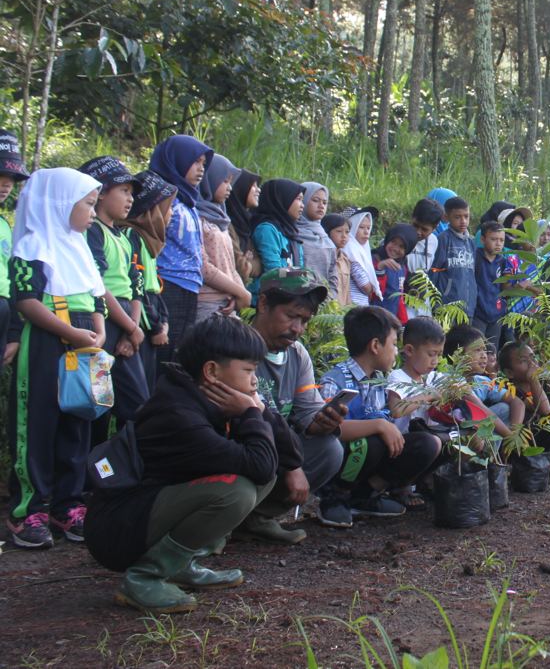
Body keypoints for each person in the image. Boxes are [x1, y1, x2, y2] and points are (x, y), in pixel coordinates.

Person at [84, 314, 295, 613]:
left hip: (146, 513)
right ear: (211, 371)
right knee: (237, 491)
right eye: (248, 370)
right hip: (118, 529)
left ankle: (182, 564)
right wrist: (251, 414)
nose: (254, 380)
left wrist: (258, 411)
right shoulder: (178, 414)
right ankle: (145, 576)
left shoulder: (209, 399)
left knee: (261, 474)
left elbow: (289, 457)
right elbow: (260, 464)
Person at [6, 168, 106, 548]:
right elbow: (27, 301)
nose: (93, 213)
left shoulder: (78, 247)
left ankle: (67, 504)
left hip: (85, 344)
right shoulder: (33, 246)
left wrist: (99, 332)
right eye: (88, 204)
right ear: (60, 203)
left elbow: (96, 297)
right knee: (37, 423)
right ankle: (27, 510)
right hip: (48, 342)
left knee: (78, 420)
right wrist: (71, 333)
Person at [316, 306, 442, 528]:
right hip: (339, 460)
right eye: (393, 344)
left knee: (426, 443)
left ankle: (365, 495)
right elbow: (328, 431)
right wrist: (379, 425)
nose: (397, 351)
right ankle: (336, 497)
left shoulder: (378, 380)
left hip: (368, 457)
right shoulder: (335, 381)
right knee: (371, 440)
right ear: (375, 346)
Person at [244, 267, 345, 543]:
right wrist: (291, 465)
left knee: (329, 450)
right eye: (290, 316)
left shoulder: (297, 354)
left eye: (304, 320)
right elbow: (249, 419)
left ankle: (256, 518)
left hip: (275, 448)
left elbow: (306, 411)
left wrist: (320, 423)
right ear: (263, 304)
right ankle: (217, 524)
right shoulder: (237, 345)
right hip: (241, 446)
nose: (297, 329)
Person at [79, 157, 148, 443]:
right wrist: (131, 329)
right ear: (101, 192)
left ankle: (119, 469)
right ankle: (90, 475)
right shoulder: (92, 232)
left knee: (138, 403)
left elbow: (135, 285)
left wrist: (131, 330)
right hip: (103, 323)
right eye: (124, 191)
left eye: (132, 193)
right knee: (98, 404)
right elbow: (98, 284)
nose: (130, 199)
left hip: (126, 325)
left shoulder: (126, 236)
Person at [149, 135, 214, 358]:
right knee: (162, 353)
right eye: (195, 162)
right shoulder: (162, 197)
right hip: (166, 283)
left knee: (179, 354)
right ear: (178, 160)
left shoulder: (190, 203)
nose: (201, 169)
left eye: (204, 164)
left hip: (191, 286)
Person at [123, 171, 178, 389]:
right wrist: (156, 328)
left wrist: (163, 322)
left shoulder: (149, 241)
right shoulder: (131, 236)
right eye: (167, 207)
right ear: (151, 210)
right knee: (136, 392)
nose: (171, 213)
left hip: (150, 318)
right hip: (139, 322)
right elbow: (138, 287)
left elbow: (154, 287)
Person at [195, 154, 251, 321]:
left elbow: (230, 264)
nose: (230, 188)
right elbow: (203, 266)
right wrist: (240, 292)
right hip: (206, 302)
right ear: (209, 179)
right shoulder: (197, 217)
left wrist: (239, 292)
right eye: (225, 181)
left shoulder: (221, 218)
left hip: (227, 301)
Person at [0, 130, 31, 357]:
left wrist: (13, 332)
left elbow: (7, 277)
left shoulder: (3, 224)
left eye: (11, 180)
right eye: (0, 177)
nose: (6, 186)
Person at [249, 178, 305, 298]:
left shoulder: (292, 232)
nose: (302, 206)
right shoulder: (267, 229)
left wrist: (302, 275)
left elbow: (300, 268)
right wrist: (301, 275)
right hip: (266, 299)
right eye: (298, 199)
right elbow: (274, 270)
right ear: (282, 199)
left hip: (288, 295)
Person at [431, 196, 477, 319]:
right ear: (446, 218)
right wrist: (435, 303)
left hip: (468, 308)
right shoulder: (443, 239)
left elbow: (473, 275)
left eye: (466, 216)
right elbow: (434, 271)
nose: (463, 221)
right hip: (447, 306)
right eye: (457, 217)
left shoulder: (471, 242)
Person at [473, 220, 516, 347]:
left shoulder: (504, 261)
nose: (498, 243)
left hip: (496, 314)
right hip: (477, 313)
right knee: (475, 350)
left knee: (492, 352)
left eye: (501, 240)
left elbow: (504, 289)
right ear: (482, 239)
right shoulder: (475, 257)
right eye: (493, 239)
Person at [405, 198, 443, 317]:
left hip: (422, 301)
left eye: (425, 229)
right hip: (401, 298)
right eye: (415, 225)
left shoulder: (434, 242)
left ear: (435, 227)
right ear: (412, 218)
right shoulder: (398, 236)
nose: (418, 232)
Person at [297, 183, 337, 294]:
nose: (321, 206)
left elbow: (333, 275)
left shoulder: (325, 237)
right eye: (315, 200)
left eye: (324, 202)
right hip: (298, 297)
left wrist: (330, 298)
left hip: (324, 301)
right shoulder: (291, 233)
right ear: (302, 201)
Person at [373, 223, 416, 323]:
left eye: (401, 246)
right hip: (374, 318)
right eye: (393, 242)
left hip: (390, 320)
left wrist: (404, 323)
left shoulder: (402, 267)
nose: (395, 248)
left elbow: (398, 297)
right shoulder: (374, 259)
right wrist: (380, 268)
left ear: (408, 249)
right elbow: (374, 294)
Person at [227, 169, 263, 288]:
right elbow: (240, 267)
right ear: (240, 188)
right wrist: (246, 263)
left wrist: (246, 264)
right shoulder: (226, 223)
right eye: (253, 186)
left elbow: (260, 265)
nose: (258, 190)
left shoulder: (247, 224)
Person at [343, 210, 381, 307]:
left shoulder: (360, 249)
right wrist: (371, 288)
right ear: (353, 227)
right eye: (361, 227)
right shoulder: (350, 249)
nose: (366, 231)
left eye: (368, 228)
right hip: (353, 305)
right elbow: (365, 286)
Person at [322, 214, 353, 306]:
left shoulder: (345, 260)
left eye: (347, 232)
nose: (344, 236)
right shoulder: (322, 257)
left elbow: (347, 291)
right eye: (339, 231)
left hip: (340, 313)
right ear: (327, 232)